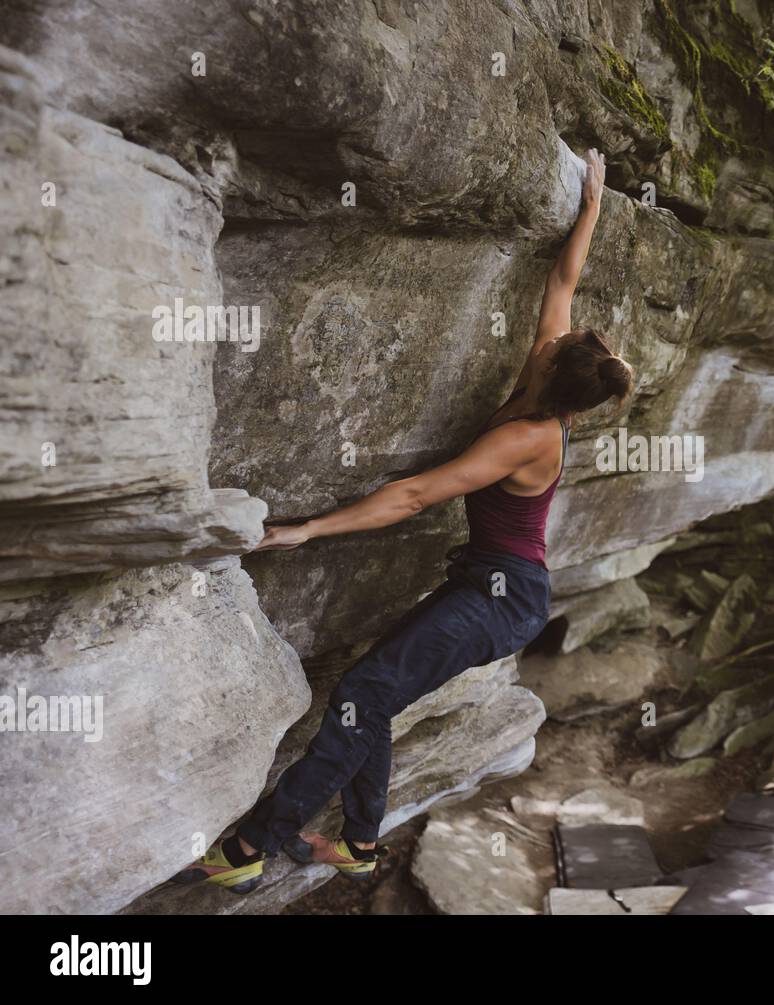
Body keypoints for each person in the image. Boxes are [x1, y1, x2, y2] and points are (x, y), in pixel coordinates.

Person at [173, 149, 632, 894]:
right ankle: (356, 842)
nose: (548, 335)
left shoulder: (525, 436)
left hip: (503, 599)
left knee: (363, 689)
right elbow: (562, 280)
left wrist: (306, 530)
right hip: (491, 584)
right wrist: (592, 209)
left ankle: (253, 844)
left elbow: (416, 496)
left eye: (556, 344)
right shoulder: (544, 379)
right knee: (372, 692)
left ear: (555, 377)